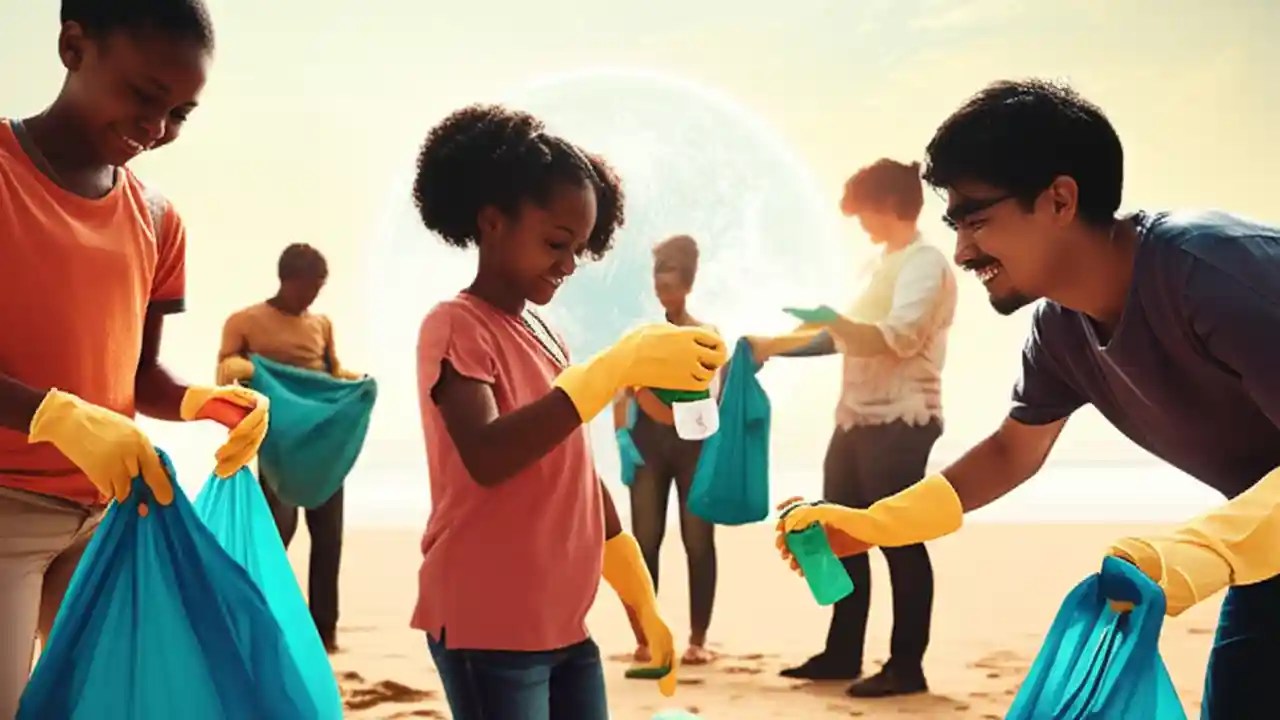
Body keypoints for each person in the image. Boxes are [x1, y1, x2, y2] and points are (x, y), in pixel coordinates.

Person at [776, 78, 1280, 719]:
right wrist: (874, 524)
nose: (962, 251)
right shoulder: (1061, 329)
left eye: (978, 220)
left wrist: (1199, 552)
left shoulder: (1210, 271)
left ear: (1061, 199)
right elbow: (1011, 452)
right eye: (954, 226)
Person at [409, 104, 727, 719]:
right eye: (556, 242)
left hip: (563, 625)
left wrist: (642, 604)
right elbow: (488, 454)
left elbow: (576, 474)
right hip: (489, 624)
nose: (568, 264)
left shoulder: (548, 337)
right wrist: (614, 368)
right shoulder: (455, 325)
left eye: (579, 249)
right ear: (493, 222)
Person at [0, 1, 268, 716]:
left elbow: (139, 374)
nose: (156, 129)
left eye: (180, 112)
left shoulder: (156, 217)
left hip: (109, 512)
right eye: (145, 96)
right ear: (72, 46)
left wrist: (199, 402)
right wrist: (56, 416)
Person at [747, 159, 957, 697]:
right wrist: (774, 346)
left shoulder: (926, 264)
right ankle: (842, 652)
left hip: (904, 418)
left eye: (864, 213)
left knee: (897, 538)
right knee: (832, 533)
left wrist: (833, 322)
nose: (861, 224)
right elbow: (841, 337)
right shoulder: (874, 267)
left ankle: (906, 664)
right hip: (855, 417)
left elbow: (897, 336)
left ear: (888, 207)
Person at [216, 243, 363, 653]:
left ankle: (324, 633)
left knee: (329, 537)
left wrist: (356, 383)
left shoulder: (322, 324)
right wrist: (243, 369)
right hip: (279, 441)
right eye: (308, 287)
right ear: (287, 280)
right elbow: (225, 369)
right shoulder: (245, 321)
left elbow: (331, 372)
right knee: (278, 534)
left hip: (322, 443)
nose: (313, 297)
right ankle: (264, 619)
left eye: (319, 288)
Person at [614, 234, 721, 666]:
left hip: (694, 448)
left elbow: (707, 403)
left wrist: (649, 400)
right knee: (645, 542)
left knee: (698, 541)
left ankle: (698, 640)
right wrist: (622, 436)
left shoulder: (707, 336)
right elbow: (620, 391)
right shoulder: (644, 336)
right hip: (647, 450)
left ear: (688, 283)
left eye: (671, 283)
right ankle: (645, 639)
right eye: (658, 284)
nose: (664, 291)